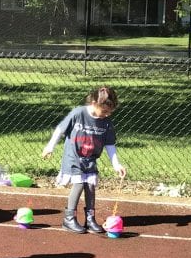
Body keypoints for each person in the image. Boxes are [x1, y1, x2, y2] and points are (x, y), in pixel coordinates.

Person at [42, 86, 127, 234]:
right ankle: (69, 219)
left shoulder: (106, 122)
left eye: (110, 112)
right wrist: (50, 147)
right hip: (73, 158)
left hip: (90, 160)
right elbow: (60, 130)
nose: (107, 114)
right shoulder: (78, 113)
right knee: (79, 183)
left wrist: (116, 164)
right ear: (94, 103)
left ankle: (90, 219)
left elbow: (109, 144)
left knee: (90, 186)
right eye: (104, 111)